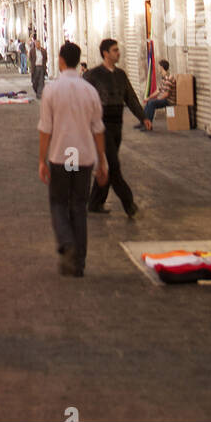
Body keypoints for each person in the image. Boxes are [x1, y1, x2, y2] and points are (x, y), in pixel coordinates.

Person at [37, 42, 108, 276]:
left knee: (58, 203)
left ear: (60, 60)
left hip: (61, 155)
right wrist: (102, 160)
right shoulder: (89, 90)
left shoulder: (52, 90)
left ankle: (66, 242)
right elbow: (98, 129)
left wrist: (41, 160)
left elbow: (45, 129)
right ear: (77, 61)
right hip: (84, 156)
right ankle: (79, 262)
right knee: (79, 207)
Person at [84, 39, 149, 217]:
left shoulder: (121, 75)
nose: (118, 53)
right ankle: (128, 202)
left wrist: (143, 117)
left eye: (118, 50)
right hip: (100, 125)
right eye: (114, 50)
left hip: (116, 125)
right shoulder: (93, 75)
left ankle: (95, 202)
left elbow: (131, 98)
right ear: (105, 53)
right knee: (113, 165)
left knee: (107, 164)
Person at [139, 59, 176, 126]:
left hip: (169, 100)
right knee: (149, 102)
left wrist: (157, 99)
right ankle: (143, 122)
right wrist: (149, 97)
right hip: (164, 99)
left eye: (159, 67)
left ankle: (148, 124)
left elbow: (166, 94)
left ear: (161, 67)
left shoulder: (169, 78)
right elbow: (158, 90)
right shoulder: (164, 78)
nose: (158, 68)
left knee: (152, 103)